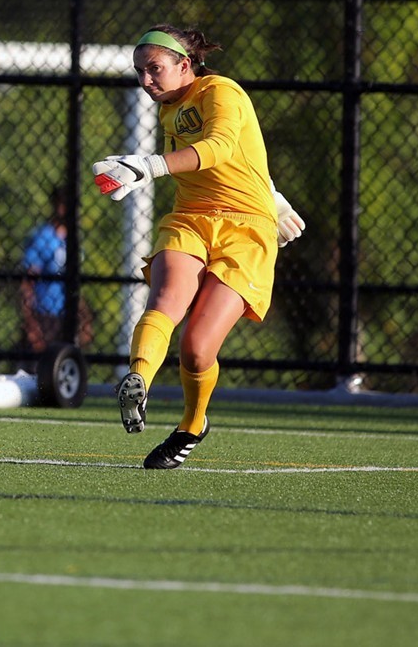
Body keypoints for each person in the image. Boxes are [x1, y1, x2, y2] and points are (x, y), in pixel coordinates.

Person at [93, 25, 305, 469]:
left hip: (245, 230)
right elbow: (230, 162)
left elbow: (223, 147)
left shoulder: (221, 90)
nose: (146, 80)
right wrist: (274, 192)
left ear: (185, 64)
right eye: (139, 72)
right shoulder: (170, 108)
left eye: (155, 69)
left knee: (196, 348)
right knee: (166, 300)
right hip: (190, 218)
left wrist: (149, 166)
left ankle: (192, 425)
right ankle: (137, 379)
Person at [18, 186, 91, 351]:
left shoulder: (74, 240)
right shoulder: (43, 237)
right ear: (56, 205)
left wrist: (85, 317)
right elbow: (28, 284)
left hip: (69, 315)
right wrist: (31, 324)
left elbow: (75, 283)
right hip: (44, 315)